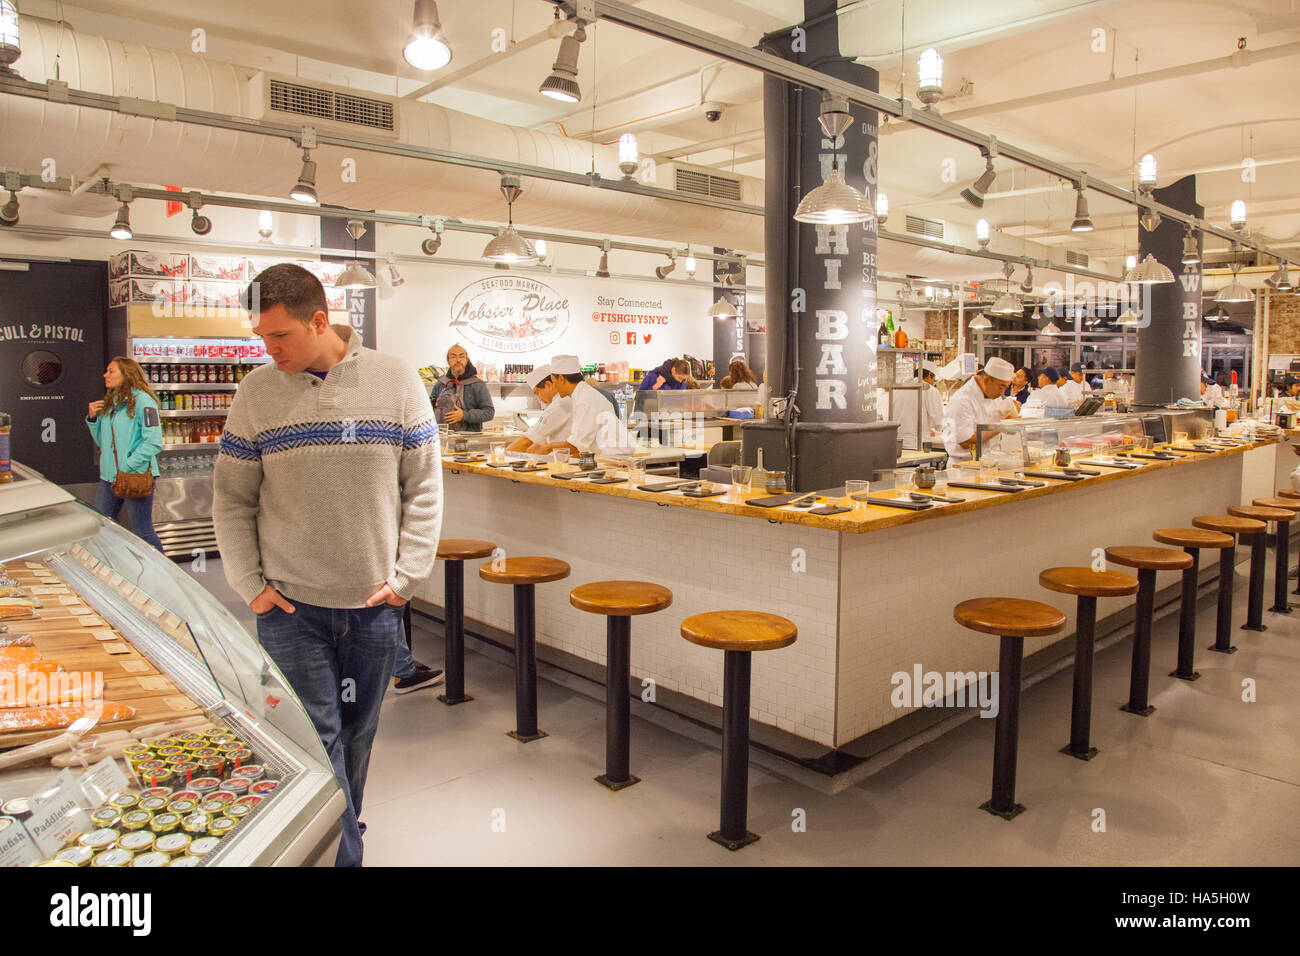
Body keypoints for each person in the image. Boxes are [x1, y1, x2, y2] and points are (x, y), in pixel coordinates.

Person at [213, 263, 442, 867]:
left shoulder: (395, 382)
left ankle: (344, 833)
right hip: (289, 611)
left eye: (280, 336)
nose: (270, 350)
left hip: (372, 607)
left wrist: (405, 580)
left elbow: (423, 488)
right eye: (261, 337)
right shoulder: (255, 393)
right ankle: (345, 856)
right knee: (317, 741)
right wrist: (250, 586)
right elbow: (231, 499)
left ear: (321, 320)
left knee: (357, 738)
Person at [86, 357, 165, 552]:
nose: (105, 375)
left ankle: (165, 576)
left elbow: (154, 442)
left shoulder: (144, 401)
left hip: (133, 475)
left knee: (142, 531)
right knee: (101, 526)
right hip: (109, 477)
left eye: (111, 371)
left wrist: (128, 465)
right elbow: (103, 442)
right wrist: (92, 419)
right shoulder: (112, 402)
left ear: (127, 374)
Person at [533, 354, 635, 457]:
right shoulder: (582, 395)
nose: (554, 387)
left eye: (554, 382)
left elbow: (576, 444)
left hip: (616, 459)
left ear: (562, 379)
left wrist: (547, 448)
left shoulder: (585, 400)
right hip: (607, 457)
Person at [941, 356, 1018, 463]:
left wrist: (1012, 422)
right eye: (1001, 387)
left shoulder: (995, 396)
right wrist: (1001, 426)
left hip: (989, 462)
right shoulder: (963, 400)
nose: (1002, 392)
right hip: (964, 466)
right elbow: (966, 442)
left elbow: (1005, 427)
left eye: (1006, 387)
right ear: (986, 380)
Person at [506, 363, 572, 454]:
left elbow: (528, 440)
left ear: (548, 385)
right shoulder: (565, 400)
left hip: (567, 462)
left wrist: (502, 455)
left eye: (538, 393)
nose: (540, 399)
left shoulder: (560, 403)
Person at [431, 344, 494, 431]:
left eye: (461, 356)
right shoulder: (440, 383)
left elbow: (489, 412)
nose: (458, 360)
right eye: (453, 357)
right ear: (448, 361)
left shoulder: (477, 384)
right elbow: (428, 410)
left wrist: (464, 415)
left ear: (467, 360)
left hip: (470, 439)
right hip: (444, 437)